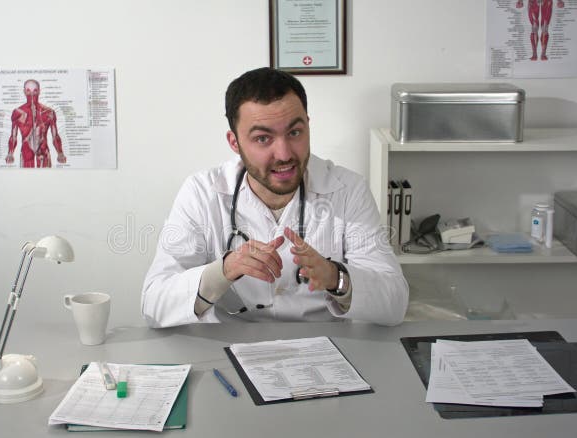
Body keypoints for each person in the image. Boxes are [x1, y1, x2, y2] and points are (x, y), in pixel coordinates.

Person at [141, 67, 408, 328]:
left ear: (308, 126)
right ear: (234, 142)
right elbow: (154, 305)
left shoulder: (348, 190)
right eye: (262, 139)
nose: (283, 154)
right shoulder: (201, 193)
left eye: (294, 133)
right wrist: (222, 271)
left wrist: (335, 277)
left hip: (324, 349)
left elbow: (395, 302)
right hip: (229, 347)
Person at [5, 79, 66, 168]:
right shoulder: (17, 112)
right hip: (26, 155)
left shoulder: (49, 112)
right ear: (24, 92)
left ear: (39, 91)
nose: (32, 94)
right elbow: (13, 136)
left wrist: (60, 153)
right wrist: (10, 153)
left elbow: (55, 135)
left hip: (44, 154)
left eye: (35, 91)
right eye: (28, 91)